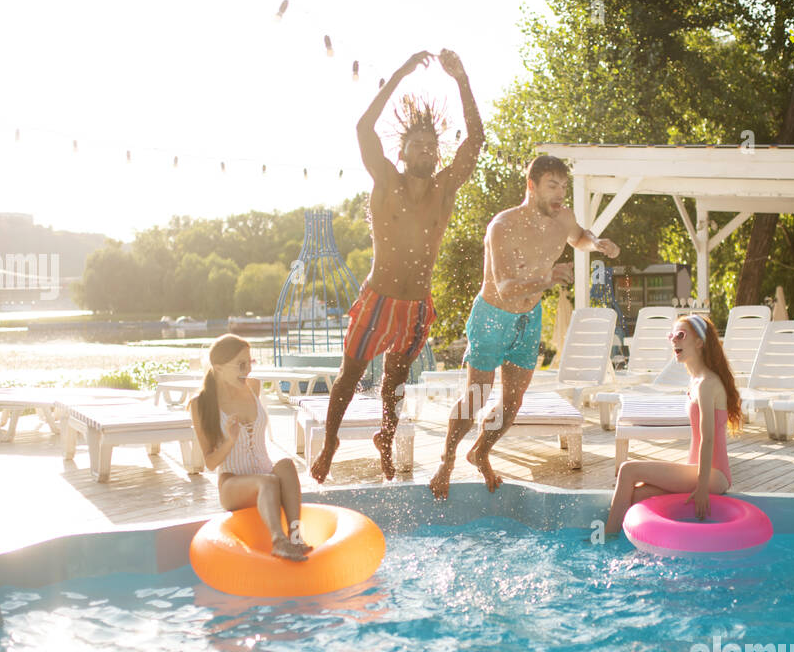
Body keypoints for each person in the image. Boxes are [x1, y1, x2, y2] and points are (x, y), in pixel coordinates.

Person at [309, 48, 484, 483]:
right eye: (417, 144)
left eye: (432, 145)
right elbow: (363, 127)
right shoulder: (387, 181)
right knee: (349, 377)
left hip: (416, 307)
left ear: (437, 154)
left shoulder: (445, 190)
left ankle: (385, 437)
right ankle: (330, 443)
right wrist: (401, 74)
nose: (426, 149)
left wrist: (461, 80)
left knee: (395, 384)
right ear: (403, 152)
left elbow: (476, 140)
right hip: (377, 299)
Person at [430, 155, 619, 500]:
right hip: (493, 316)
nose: (560, 193)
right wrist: (547, 278)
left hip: (528, 319)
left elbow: (578, 237)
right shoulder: (503, 226)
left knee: (513, 402)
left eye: (564, 186)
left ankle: (480, 452)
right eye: (552, 186)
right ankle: (447, 460)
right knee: (476, 398)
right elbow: (504, 286)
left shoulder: (563, 217)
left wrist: (596, 243)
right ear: (531, 186)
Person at [605, 315, 742, 533]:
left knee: (628, 470)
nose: (674, 340)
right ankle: (622, 539)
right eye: (672, 336)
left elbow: (708, 440)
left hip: (713, 475)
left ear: (699, 342)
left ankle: (605, 540)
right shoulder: (695, 380)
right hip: (699, 470)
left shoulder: (707, 384)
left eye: (681, 335)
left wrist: (702, 487)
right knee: (639, 493)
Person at [189, 334, 312, 561]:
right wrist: (230, 440)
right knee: (268, 481)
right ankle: (279, 542)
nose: (247, 370)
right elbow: (210, 463)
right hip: (232, 483)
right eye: (240, 364)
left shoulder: (253, 387)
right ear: (218, 368)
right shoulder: (201, 404)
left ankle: (295, 537)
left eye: (250, 362)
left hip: (264, 472)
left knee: (286, 465)